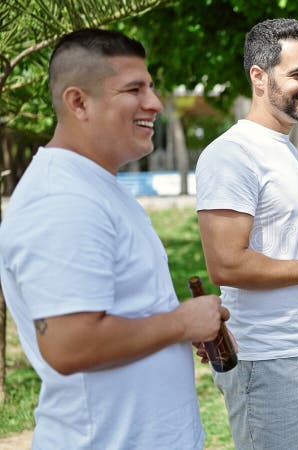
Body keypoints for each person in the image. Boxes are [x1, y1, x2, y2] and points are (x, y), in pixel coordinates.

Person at [0, 29, 226, 449]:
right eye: (134, 88)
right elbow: (71, 344)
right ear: (78, 102)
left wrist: (173, 328)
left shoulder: (95, 186)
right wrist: (181, 322)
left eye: (151, 87)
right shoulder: (61, 199)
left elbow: (119, 312)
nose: (154, 102)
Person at [194, 18, 298, 450]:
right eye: (297, 74)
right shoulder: (232, 155)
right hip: (264, 359)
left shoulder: (285, 150)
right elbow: (225, 264)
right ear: (259, 76)